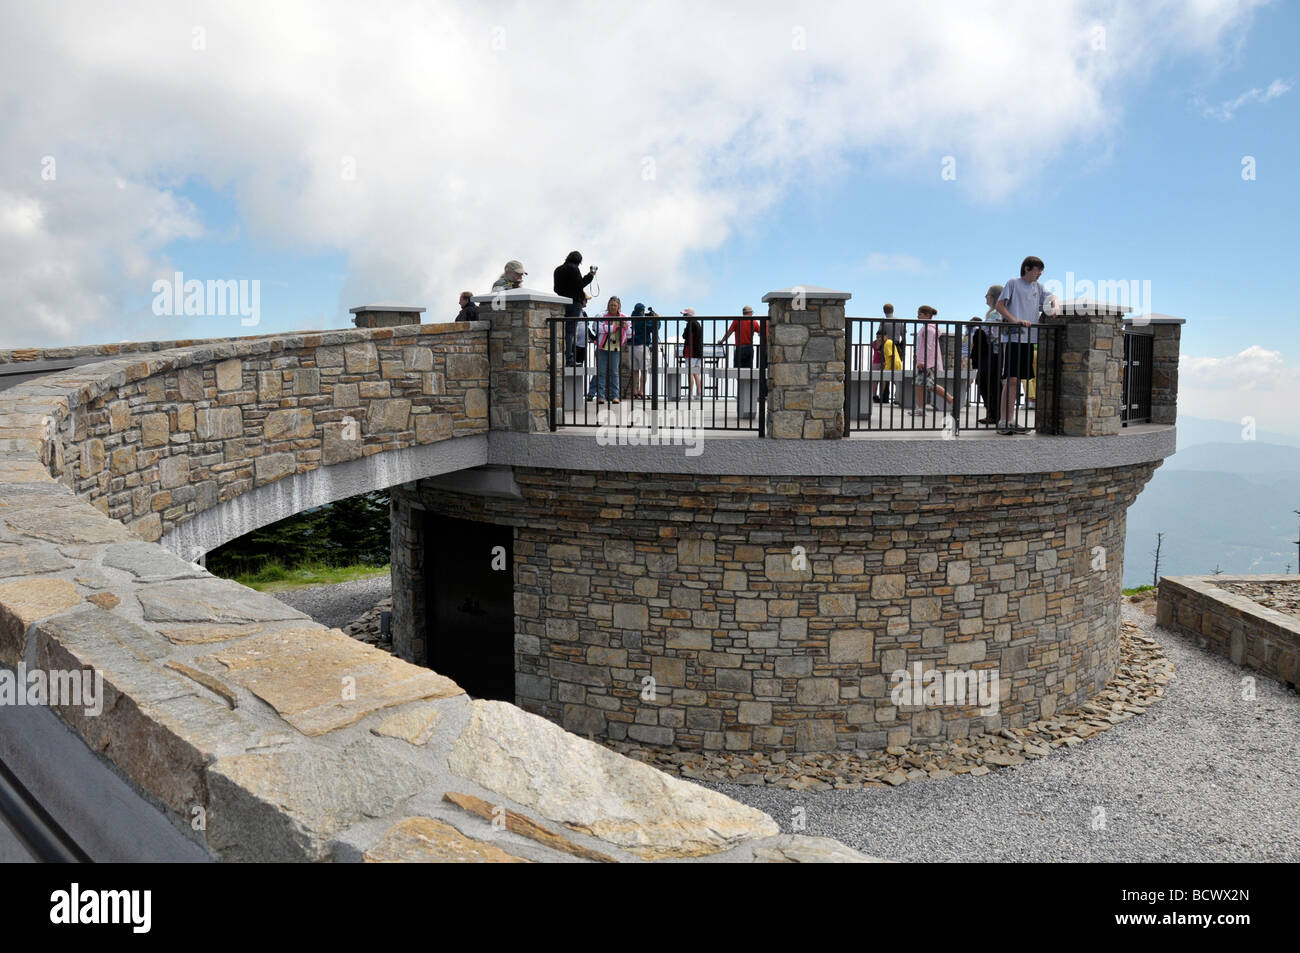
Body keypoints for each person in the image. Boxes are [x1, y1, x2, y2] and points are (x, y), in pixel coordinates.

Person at [994, 256, 1058, 435]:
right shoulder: (1013, 283)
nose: (1040, 274)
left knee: (1018, 380)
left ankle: (1011, 421)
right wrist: (1016, 321)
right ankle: (1003, 421)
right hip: (1014, 338)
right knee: (1011, 379)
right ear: (1027, 268)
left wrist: (1055, 306)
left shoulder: (1038, 287)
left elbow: (1053, 296)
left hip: (1029, 339)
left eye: (1041, 271)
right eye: (1037, 270)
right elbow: (1000, 306)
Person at [553, 251, 597, 365]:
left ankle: (560, 356)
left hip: (561, 301)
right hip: (574, 302)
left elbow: (556, 289)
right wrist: (590, 276)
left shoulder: (558, 269)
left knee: (561, 330)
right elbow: (579, 285)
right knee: (570, 331)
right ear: (579, 261)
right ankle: (569, 358)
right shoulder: (574, 269)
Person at [911, 305, 954, 418]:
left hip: (927, 362)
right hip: (926, 361)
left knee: (929, 385)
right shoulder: (927, 327)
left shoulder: (929, 329)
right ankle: (920, 408)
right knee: (920, 385)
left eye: (920, 314)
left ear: (927, 315)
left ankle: (951, 400)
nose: (917, 315)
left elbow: (928, 346)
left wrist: (922, 361)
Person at [968, 285, 1003, 424]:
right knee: (989, 383)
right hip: (992, 352)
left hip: (992, 353)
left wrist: (978, 330)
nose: (986, 297)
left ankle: (994, 413)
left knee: (987, 382)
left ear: (993, 296)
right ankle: (993, 413)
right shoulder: (994, 312)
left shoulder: (995, 313)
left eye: (987, 294)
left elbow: (994, 334)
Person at [594, 296, 630, 405]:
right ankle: (601, 396)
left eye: (614, 305)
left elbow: (630, 332)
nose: (612, 307)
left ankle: (615, 396)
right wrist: (613, 328)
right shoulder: (601, 316)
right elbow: (596, 327)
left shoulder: (624, 317)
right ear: (608, 306)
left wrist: (625, 327)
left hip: (616, 348)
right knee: (601, 372)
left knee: (614, 372)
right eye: (611, 305)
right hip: (602, 348)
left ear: (619, 306)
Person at [630, 303, 659, 397]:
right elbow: (654, 327)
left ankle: (635, 391)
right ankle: (641, 391)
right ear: (642, 310)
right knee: (644, 370)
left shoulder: (632, 318)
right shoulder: (643, 320)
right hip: (642, 346)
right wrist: (657, 319)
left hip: (631, 346)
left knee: (635, 370)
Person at [719, 305, 761, 369]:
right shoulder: (754, 322)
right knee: (748, 370)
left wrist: (722, 341)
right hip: (749, 348)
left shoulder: (737, 321)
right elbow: (761, 333)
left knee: (737, 370)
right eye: (752, 313)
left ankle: (739, 379)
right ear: (750, 313)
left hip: (739, 348)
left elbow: (729, 332)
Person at [873, 326, 901, 402]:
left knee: (895, 381)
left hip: (893, 364)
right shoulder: (885, 343)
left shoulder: (888, 343)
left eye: (881, 337)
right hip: (890, 365)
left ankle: (898, 397)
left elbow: (891, 356)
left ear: (886, 336)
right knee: (890, 381)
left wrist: (891, 367)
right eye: (878, 337)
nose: (879, 338)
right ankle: (896, 397)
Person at [681, 308, 704, 398]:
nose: (683, 317)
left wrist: (684, 330)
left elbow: (685, 336)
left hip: (690, 350)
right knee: (696, 373)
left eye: (685, 315)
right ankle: (699, 393)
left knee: (690, 372)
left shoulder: (690, 324)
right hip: (698, 351)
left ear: (689, 315)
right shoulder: (698, 323)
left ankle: (690, 394)